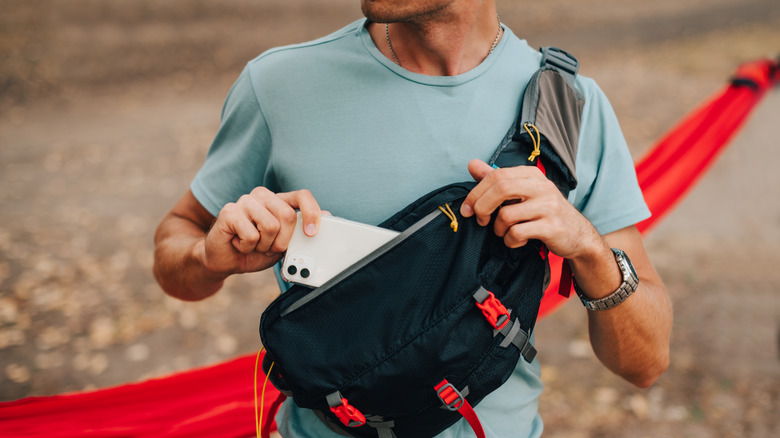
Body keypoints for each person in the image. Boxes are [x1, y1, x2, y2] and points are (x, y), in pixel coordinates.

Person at [153, 0, 673, 436]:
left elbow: (645, 362)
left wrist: (587, 246)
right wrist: (205, 257)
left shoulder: (570, 108)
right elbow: (176, 246)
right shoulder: (278, 85)